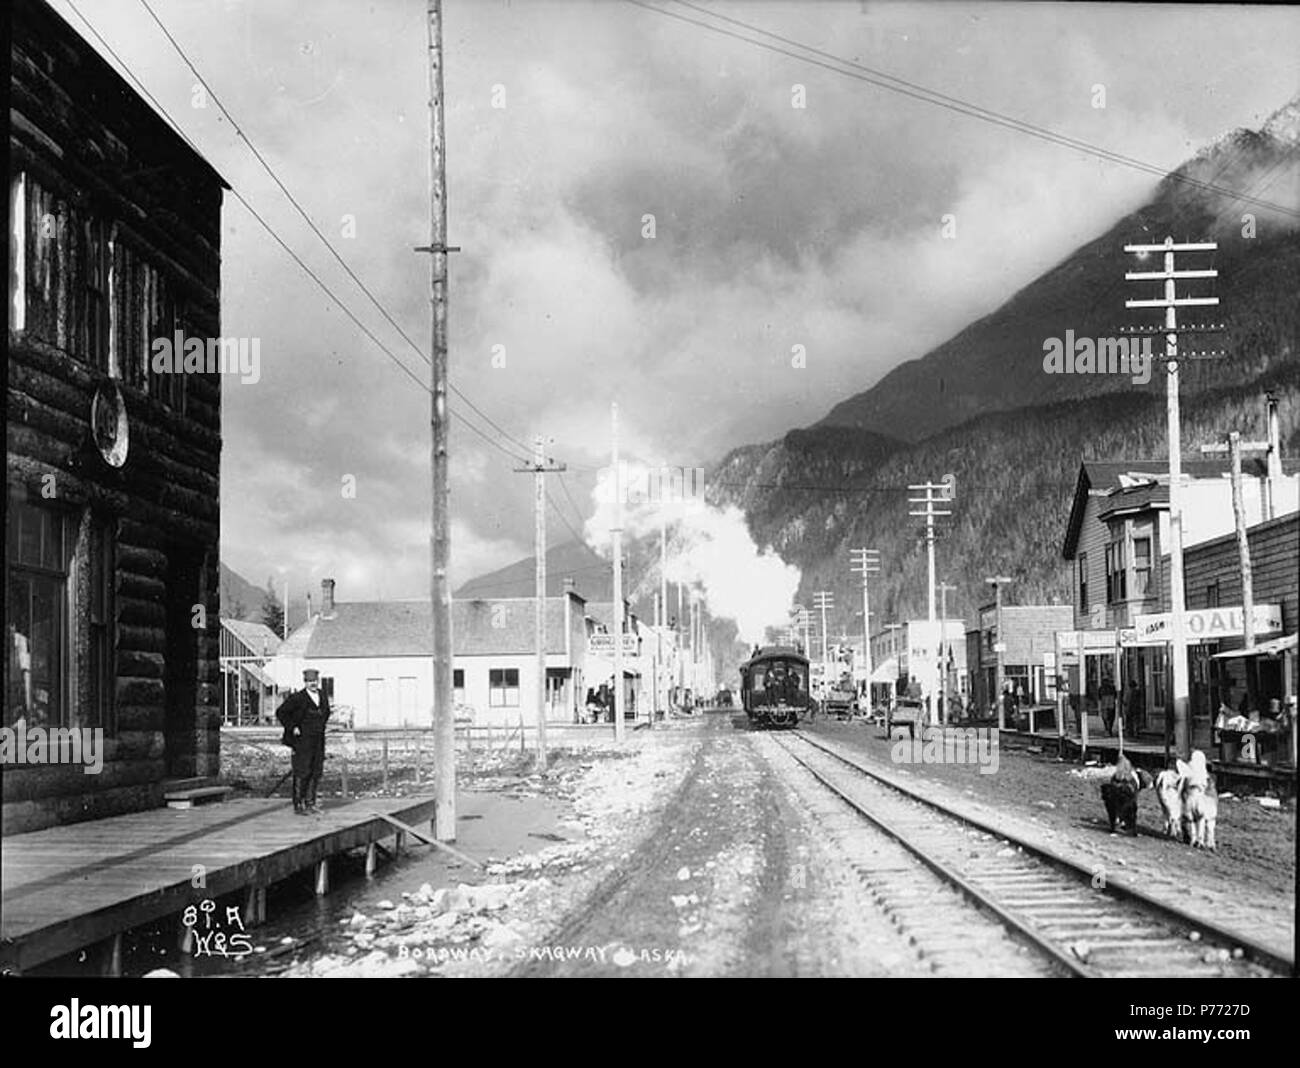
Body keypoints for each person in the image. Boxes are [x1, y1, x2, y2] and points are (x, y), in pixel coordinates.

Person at [276, 668, 332, 816]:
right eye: (309, 681)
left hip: (318, 739)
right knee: (302, 771)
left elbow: (326, 712)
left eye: (314, 681)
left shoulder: (322, 695)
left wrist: (321, 726)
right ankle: (299, 804)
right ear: (305, 682)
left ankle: (310, 803)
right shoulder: (297, 698)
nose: (312, 684)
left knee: (316, 771)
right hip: (302, 741)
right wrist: (292, 727)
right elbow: (281, 712)